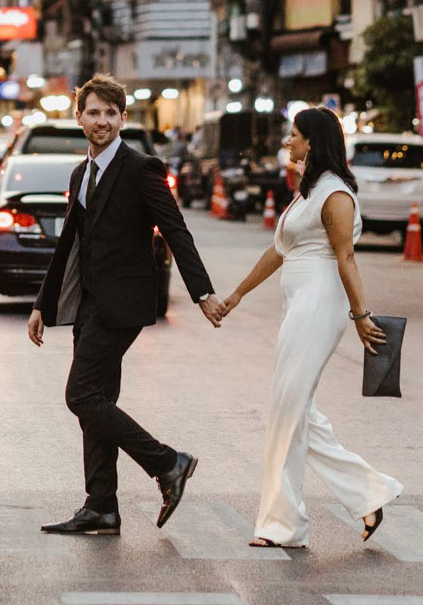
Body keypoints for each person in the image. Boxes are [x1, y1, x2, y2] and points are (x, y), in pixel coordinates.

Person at [29, 74, 220, 537]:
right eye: (94, 112)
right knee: (98, 402)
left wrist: (202, 291)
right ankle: (102, 507)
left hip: (125, 302)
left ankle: (168, 462)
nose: (102, 121)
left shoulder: (141, 169)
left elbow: (175, 230)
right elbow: (69, 244)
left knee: (82, 396)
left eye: (111, 113)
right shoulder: (81, 174)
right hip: (90, 303)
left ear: (123, 119)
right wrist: (43, 304)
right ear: (79, 118)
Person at [219, 107, 400, 549]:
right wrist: (238, 294)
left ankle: (283, 525)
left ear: (313, 143)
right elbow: (278, 250)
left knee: (286, 409)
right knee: (298, 410)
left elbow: (346, 258)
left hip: (321, 304)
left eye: (294, 136)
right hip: (299, 302)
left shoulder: (335, 194)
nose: (288, 142)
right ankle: (369, 494)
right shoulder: (308, 192)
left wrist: (361, 316)